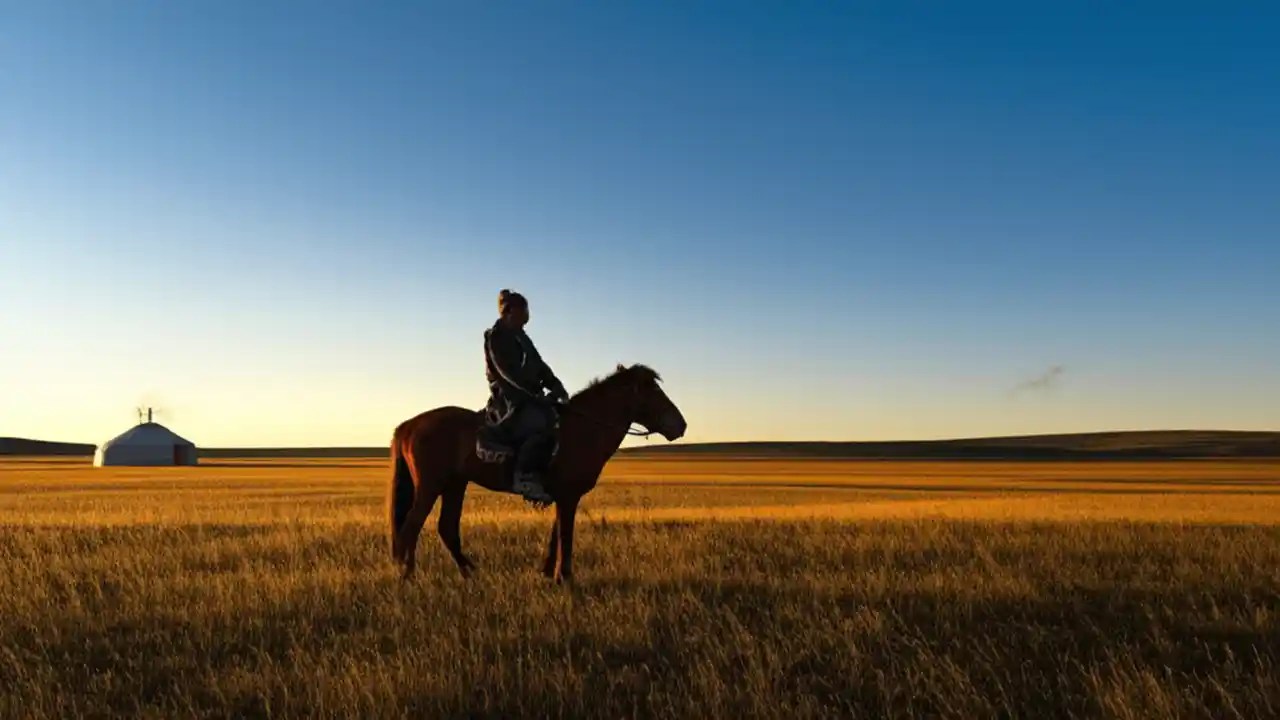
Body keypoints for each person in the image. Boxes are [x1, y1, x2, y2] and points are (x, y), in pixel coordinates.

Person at [482, 289, 569, 503]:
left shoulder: (522, 337)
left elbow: (539, 366)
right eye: (522, 312)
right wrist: (535, 396)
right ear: (508, 312)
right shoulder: (496, 336)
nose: (526, 317)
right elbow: (507, 373)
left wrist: (556, 386)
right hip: (509, 397)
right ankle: (524, 476)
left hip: (530, 394)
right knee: (540, 424)